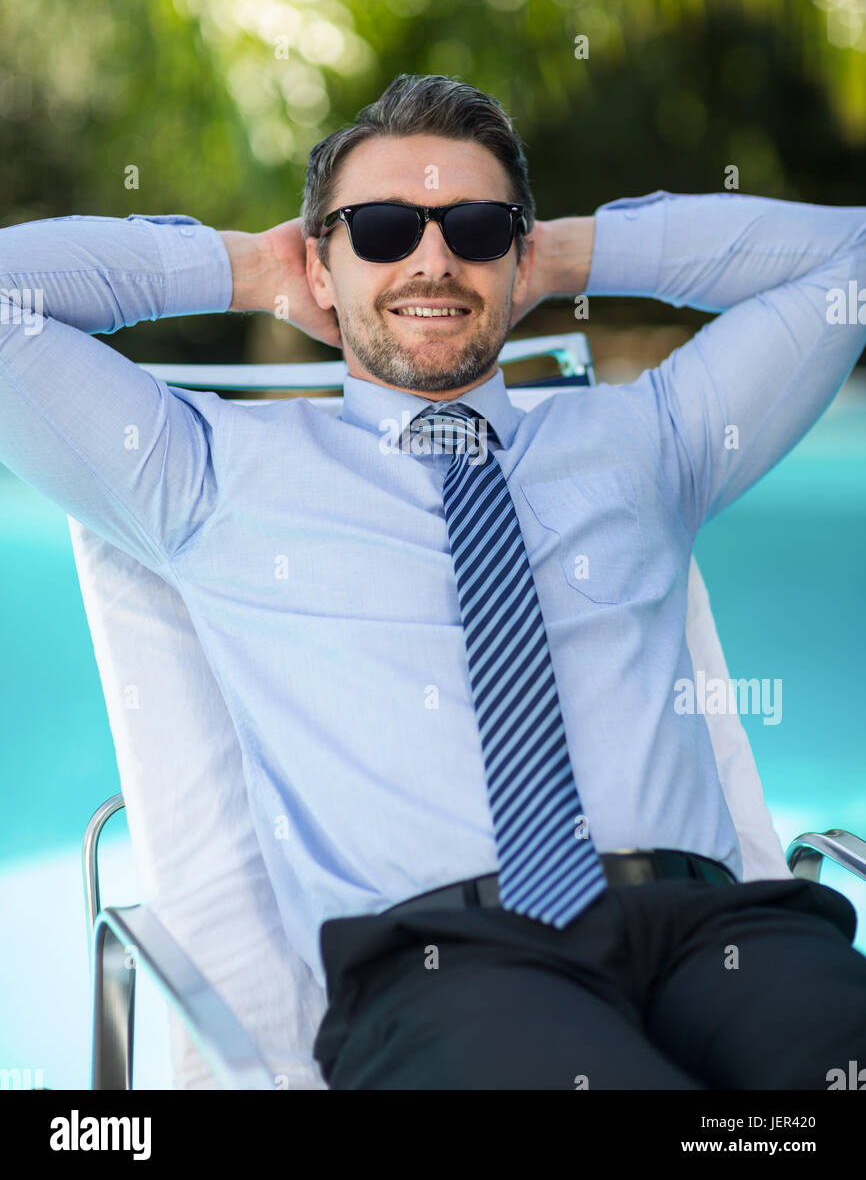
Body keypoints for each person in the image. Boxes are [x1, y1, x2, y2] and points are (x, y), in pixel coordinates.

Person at [1, 73, 865, 1090]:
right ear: (319, 263)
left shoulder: (652, 438)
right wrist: (242, 267)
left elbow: (846, 259)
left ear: (516, 254)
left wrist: (571, 252)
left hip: (719, 937)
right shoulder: (207, 476)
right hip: (446, 967)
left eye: (473, 226)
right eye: (378, 228)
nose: (431, 257)